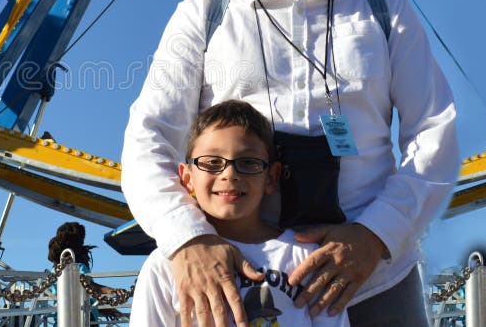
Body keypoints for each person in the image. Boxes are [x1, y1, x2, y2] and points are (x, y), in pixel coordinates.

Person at [121, 0, 460, 327]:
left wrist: (376, 234)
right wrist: (188, 239)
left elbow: (436, 130)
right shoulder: (206, 12)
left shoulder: (385, 11)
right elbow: (149, 135)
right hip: (236, 279)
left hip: (369, 278)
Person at [131, 100, 350, 326]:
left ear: (272, 177)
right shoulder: (166, 265)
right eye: (213, 162)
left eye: (247, 162)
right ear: (187, 178)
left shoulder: (307, 258)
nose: (230, 174)